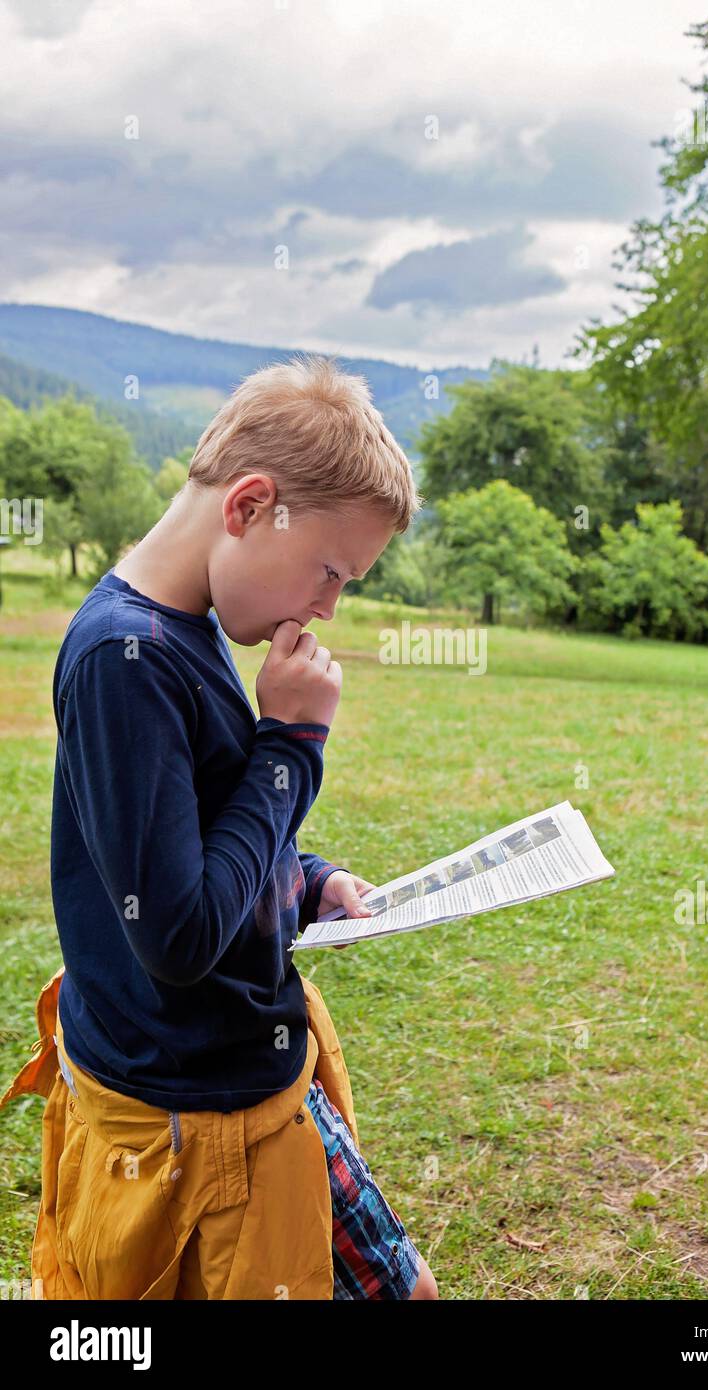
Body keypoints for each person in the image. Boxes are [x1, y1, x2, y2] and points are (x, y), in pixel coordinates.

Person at [37, 352, 438, 1301]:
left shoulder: (193, 622)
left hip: (254, 1071)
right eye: (330, 571)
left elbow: (211, 834)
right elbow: (177, 934)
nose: (328, 606)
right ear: (252, 506)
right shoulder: (123, 661)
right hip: (194, 1109)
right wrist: (291, 742)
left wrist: (307, 879)